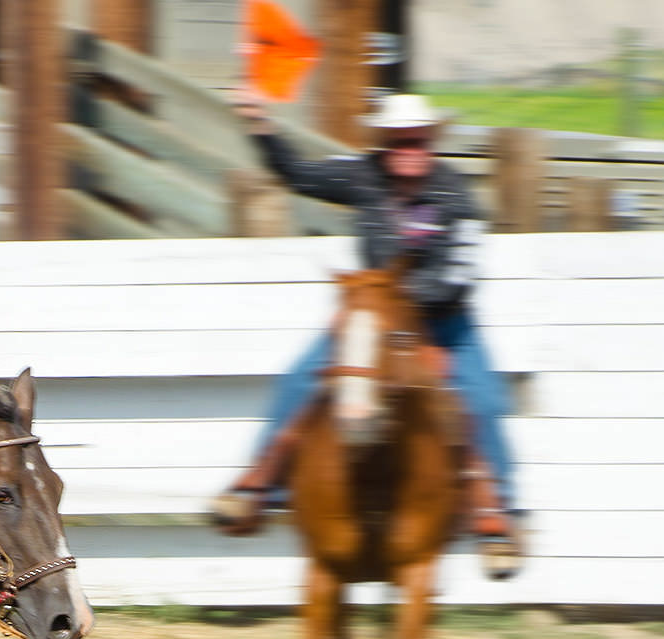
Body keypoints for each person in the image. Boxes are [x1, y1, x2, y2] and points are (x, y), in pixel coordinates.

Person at [211, 91, 520, 568]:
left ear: (430, 142)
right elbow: (298, 174)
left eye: (416, 140)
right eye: (398, 141)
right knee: (299, 380)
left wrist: (394, 299)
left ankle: (497, 518)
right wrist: (262, 128)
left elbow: (459, 273)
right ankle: (259, 487)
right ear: (385, 142)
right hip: (372, 320)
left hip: (443, 323)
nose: (407, 149)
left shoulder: (456, 194)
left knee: (484, 400)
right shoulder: (364, 174)